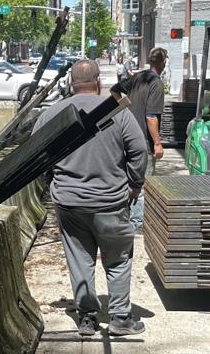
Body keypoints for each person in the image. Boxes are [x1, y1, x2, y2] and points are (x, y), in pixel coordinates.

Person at [33, 60, 148, 337]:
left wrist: (52, 182)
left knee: (79, 259)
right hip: (110, 201)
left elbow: (36, 155)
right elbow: (139, 150)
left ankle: (87, 318)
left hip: (70, 203)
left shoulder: (51, 114)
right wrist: (134, 184)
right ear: (98, 81)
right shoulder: (117, 111)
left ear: (71, 83)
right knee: (118, 259)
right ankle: (120, 317)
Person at [117, 47, 167, 231]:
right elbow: (151, 117)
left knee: (127, 179)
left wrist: (124, 107)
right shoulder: (156, 83)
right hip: (143, 142)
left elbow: (115, 90)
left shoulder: (138, 77)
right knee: (143, 183)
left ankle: (125, 217)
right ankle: (137, 223)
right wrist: (157, 143)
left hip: (126, 136)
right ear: (163, 62)